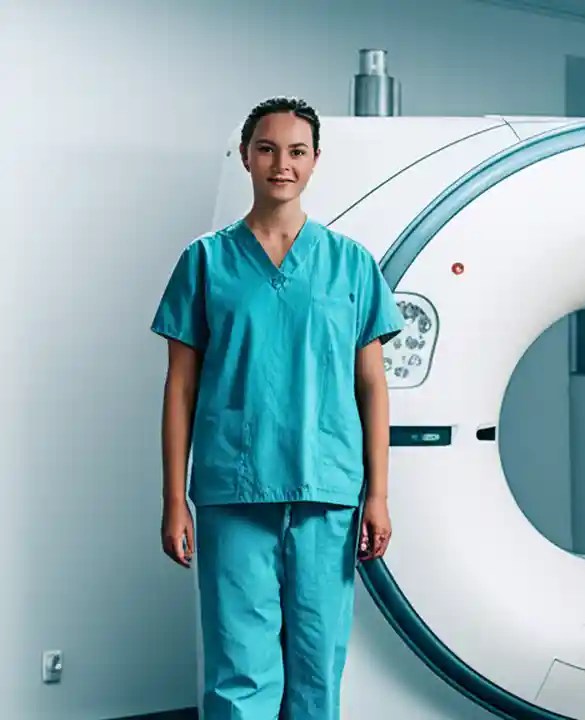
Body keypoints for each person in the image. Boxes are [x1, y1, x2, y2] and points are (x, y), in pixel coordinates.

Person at [151, 96, 405, 719]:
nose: (281, 164)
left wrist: (378, 494)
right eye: (267, 149)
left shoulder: (350, 262)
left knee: (319, 670)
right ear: (245, 156)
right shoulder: (205, 261)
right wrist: (172, 498)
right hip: (232, 491)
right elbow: (179, 387)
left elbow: (372, 385)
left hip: (327, 489)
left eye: (296, 151)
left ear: (316, 161)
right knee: (239, 672)